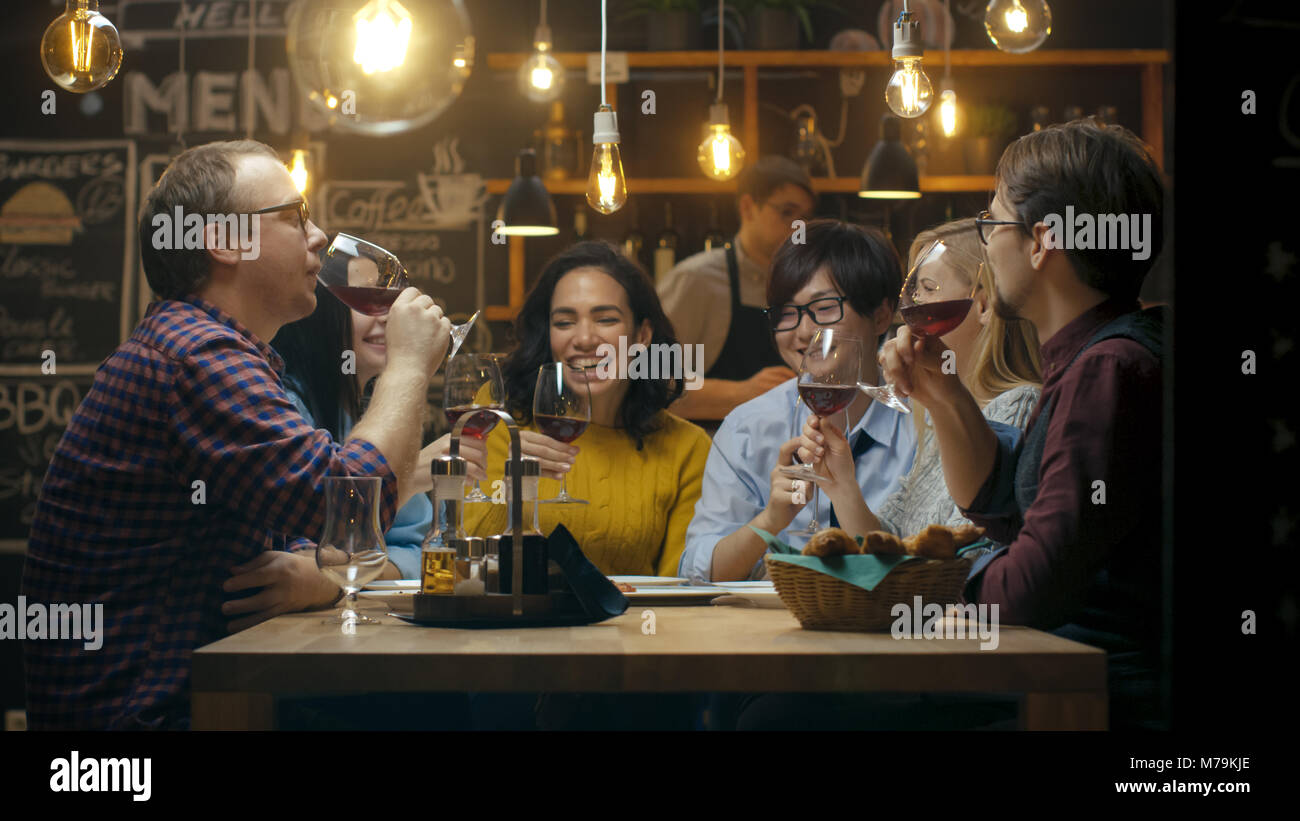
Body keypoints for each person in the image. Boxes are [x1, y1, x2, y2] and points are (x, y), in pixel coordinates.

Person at [20, 140, 450, 730]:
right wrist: (407, 367)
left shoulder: (213, 350)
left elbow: (304, 545)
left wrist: (317, 575)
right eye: (295, 217)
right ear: (225, 241)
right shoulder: (196, 355)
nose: (320, 235)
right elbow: (349, 508)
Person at [881, 119, 1167, 729]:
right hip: (1048, 673)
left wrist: (918, 597)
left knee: (789, 712)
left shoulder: (1109, 370)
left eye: (992, 223)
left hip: (1088, 697)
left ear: (1041, 243)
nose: (985, 246)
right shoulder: (1091, 357)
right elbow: (1006, 504)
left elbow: (1037, 577)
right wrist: (941, 394)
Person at [681, 219, 918, 582]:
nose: (804, 332)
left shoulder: (924, 424)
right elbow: (701, 573)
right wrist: (772, 518)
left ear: (881, 316)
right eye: (787, 314)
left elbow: (941, 567)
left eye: (824, 308)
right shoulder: (748, 428)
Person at [462, 240, 711, 578]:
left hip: (636, 629)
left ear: (642, 335)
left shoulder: (687, 449)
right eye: (564, 322)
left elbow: (681, 585)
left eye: (605, 319)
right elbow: (463, 567)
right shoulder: (499, 415)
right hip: (515, 628)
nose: (583, 338)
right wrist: (510, 490)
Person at [796, 218, 1042, 542]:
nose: (908, 308)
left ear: (983, 305)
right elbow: (891, 544)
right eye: (913, 291)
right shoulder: (941, 414)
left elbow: (963, 555)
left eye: (926, 289)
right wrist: (841, 485)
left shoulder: (1020, 404)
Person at [271, 278, 488, 579]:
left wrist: (338, 575)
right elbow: (299, 558)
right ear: (317, 310)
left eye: (390, 299)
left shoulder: (367, 414)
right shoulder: (288, 407)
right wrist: (408, 477)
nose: (390, 316)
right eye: (365, 301)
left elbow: (423, 553)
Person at [657, 156, 816, 422]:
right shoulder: (696, 279)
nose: (798, 228)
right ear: (748, 208)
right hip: (706, 454)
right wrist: (741, 393)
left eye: (805, 218)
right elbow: (646, 379)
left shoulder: (808, 284)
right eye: (786, 212)